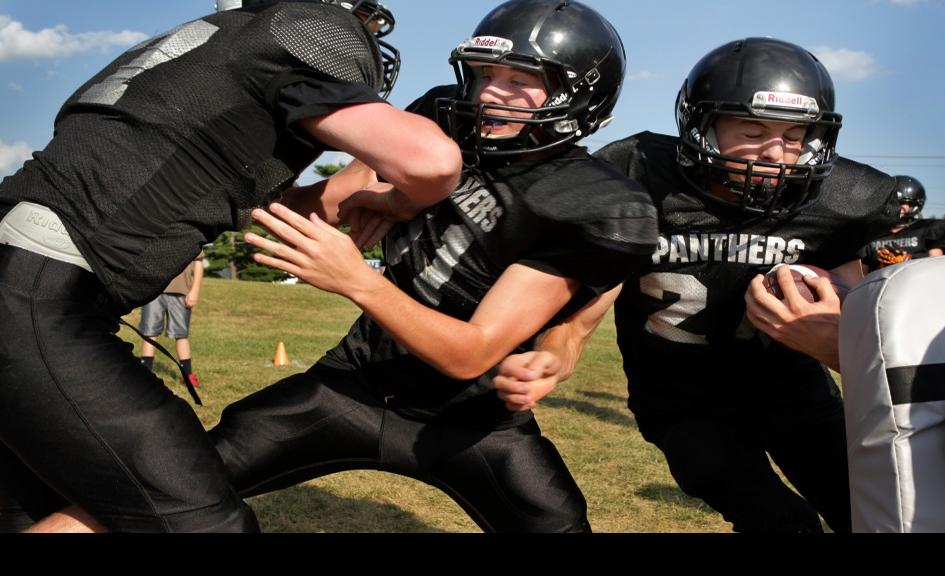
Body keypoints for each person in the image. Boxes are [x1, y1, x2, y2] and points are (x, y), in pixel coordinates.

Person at [0, 0, 462, 533]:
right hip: (34, 293)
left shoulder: (207, 44)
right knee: (208, 523)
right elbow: (431, 162)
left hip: (13, 273)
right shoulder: (304, 27)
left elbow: (265, 204)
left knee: (52, 514)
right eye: (363, 15)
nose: (368, 28)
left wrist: (358, 190)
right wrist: (399, 202)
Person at [207, 0, 658, 532]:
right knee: (170, 483)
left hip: (475, 419)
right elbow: (342, 194)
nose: (491, 92)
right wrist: (225, 195)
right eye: (487, 73)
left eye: (520, 79)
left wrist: (355, 279)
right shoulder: (445, 114)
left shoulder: (594, 204)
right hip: (354, 380)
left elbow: (473, 354)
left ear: (578, 94)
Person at [497, 38, 901, 533]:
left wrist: (837, 317)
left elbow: (884, 303)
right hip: (683, 401)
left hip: (793, 391)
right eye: (753, 130)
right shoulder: (636, 171)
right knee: (780, 521)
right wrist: (559, 348)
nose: (776, 152)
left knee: (870, 510)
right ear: (701, 125)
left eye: (796, 135)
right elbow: (592, 291)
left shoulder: (847, 199)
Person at [859, 175, 945, 270]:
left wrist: (907, 263)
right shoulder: (871, 233)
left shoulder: (926, 230)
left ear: (914, 205)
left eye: (904, 202)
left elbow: (936, 268)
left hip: (915, 284)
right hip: (879, 285)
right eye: (894, 202)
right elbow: (861, 275)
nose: (898, 207)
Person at [138, 252, 206, 387]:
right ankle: (144, 374)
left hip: (181, 292)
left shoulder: (191, 232)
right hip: (154, 290)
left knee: (181, 334)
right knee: (150, 333)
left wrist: (195, 289)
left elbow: (198, 262)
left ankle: (188, 375)